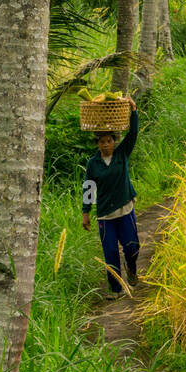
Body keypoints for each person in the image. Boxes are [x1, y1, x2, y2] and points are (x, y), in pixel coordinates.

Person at [81, 94, 141, 297]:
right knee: (111, 253)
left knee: (132, 246)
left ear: (114, 141)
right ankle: (116, 289)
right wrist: (86, 213)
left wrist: (133, 111)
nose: (105, 145)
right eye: (102, 142)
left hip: (125, 209)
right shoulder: (93, 164)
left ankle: (131, 270)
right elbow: (88, 187)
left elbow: (132, 134)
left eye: (109, 141)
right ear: (97, 143)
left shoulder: (122, 154)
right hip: (105, 215)